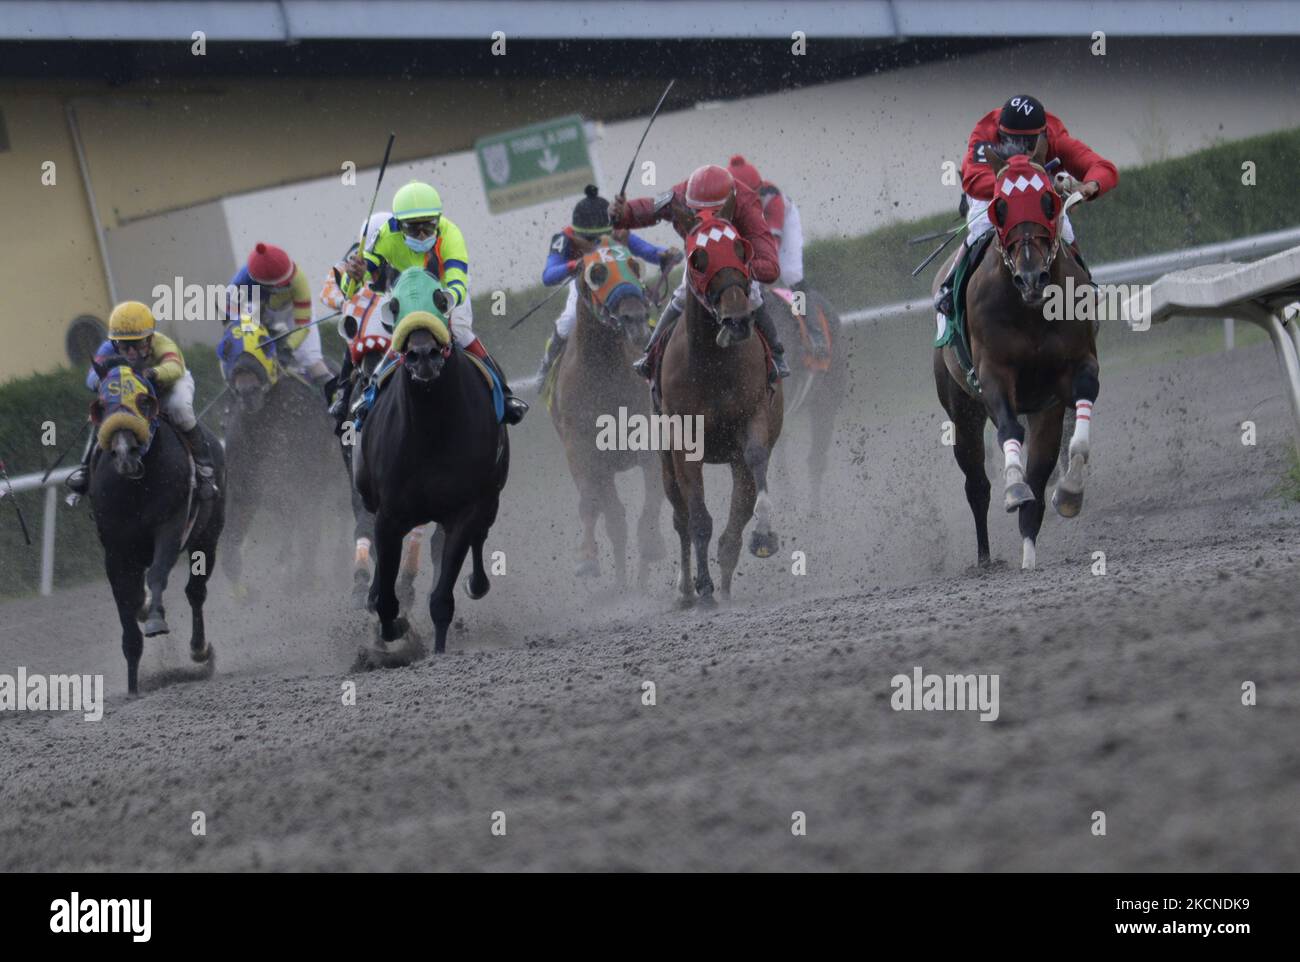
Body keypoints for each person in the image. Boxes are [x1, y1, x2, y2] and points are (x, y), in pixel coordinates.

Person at [342, 180, 528, 424]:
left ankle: (505, 394)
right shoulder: (385, 235)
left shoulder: (451, 234)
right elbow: (352, 286)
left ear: (438, 220)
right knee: (398, 340)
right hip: (408, 295)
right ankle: (370, 396)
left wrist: (447, 299)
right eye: (414, 228)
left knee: (460, 330)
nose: (422, 235)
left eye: (429, 227)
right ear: (399, 224)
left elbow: (457, 280)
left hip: (445, 292)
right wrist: (353, 275)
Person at [934, 94, 1119, 327]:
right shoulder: (985, 133)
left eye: (1029, 143)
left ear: (1042, 135)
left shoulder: (1055, 136)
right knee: (981, 228)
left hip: (1039, 185)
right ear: (1000, 134)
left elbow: (1103, 168)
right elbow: (973, 180)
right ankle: (949, 287)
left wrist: (1091, 184)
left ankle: (1086, 282)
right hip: (991, 187)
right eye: (1014, 141)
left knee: (1065, 228)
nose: (1022, 148)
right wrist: (1025, 185)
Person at [611, 163, 790, 380]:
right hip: (702, 257)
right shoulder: (677, 196)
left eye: (716, 213)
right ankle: (651, 355)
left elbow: (770, 268)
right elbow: (648, 208)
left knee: (753, 294)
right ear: (688, 202)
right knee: (681, 295)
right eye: (698, 213)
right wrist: (623, 213)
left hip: (737, 259)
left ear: (731, 203)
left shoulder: (747, 202)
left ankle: (776, 355)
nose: (707, 219)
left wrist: (741, 267)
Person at [66, 300, 218, 499]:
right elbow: (91, 377)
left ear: (149, 339)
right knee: (101, 414)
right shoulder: (107, 348)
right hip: (131, 391)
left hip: (168, 385)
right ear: (114, 342)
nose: (130, 352)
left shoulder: (162, 343)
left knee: (180, 409)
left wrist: (153, 373)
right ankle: (85, 469)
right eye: (123, 345)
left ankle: (204, 468)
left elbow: (174, 367)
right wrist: (105, 382)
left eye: (136, 344)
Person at [536, 185, 679, 382]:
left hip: (618, 281)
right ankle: (547, 367)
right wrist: (574, 265)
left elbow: (648, 251)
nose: (599, 242)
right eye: (590, 240)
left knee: (639, 309)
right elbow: (548, 276)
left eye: (604, 236)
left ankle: (659, 355)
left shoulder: (618, 230)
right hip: (586, 283)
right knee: (568, 320)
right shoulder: (564, 238)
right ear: (578, 233)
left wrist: (665, 255)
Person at [226, 242, 335, 388]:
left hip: (292, 310)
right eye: (284, 283)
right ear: (266, 285)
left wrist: (288, 348)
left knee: (311, 359)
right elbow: (233, 326)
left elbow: (303, 325)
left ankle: (335, 394)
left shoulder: (298, 278)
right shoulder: (239, 285)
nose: (291, 281)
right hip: (258, 311)